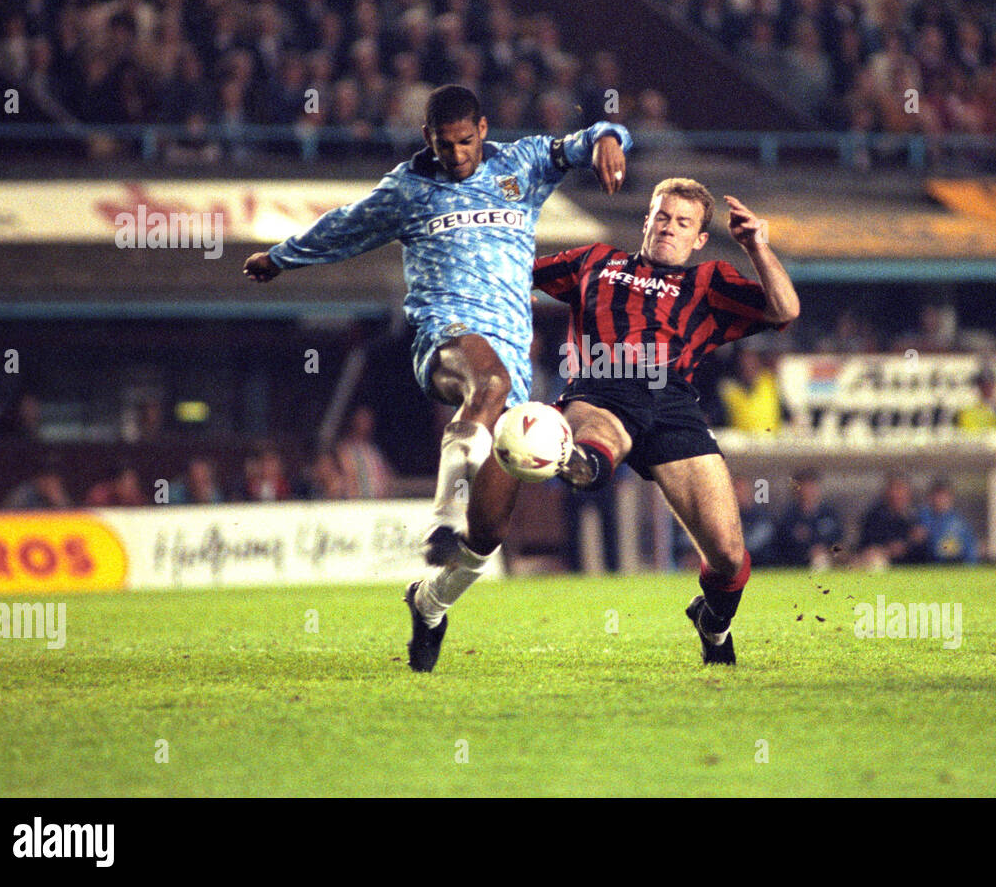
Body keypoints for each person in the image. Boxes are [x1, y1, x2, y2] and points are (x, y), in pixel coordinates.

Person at [243, 84, 629, 654]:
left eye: (466, 141)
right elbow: (343, 226)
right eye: (445, 145)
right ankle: (441, 518)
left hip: (511, 367)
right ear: (428, 137)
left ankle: (429, 603)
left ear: (483, 127)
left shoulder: (520, 164)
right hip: (443, 337)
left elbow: (586, 138)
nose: (457, 155)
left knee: (488, 535)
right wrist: (279, 257)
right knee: (488, 383)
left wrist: (611, 138)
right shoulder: (407, 188)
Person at [448, 179, 799, 669]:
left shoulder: (710, 281)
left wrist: (756, 246)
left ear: (699, 238)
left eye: (682, 223)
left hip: (673, 407)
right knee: (592, 459)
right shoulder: (596, 262)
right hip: (600, 390)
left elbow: (785, 309)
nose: (668, 228)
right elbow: (511, 274)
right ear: (647, 219)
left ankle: (713, 625)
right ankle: (570, 455)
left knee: (728, 556)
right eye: (661, 216)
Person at [771, 470, 844, 570]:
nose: (808, 492)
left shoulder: (830, 515)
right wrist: (807, 553)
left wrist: (827, 551)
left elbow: (839, 545)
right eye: (804, 487)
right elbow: (781, 549)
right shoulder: (788, 518)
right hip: (797, 566)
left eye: (811, 487)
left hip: (828, 561)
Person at [857, 474, 928, 569]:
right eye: (894, 489)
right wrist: (887, 550)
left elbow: (923, 542)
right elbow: (867, 545)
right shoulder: (874, 516)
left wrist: (911, 542)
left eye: (901, 490)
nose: (897, 494)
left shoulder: (918, 514)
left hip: (916, 561)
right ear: (887, 492)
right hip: (886, 560)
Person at [334, 405, 396, 499]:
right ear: (354, 421)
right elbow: (349, 477)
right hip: (358, 502)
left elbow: (386, 474)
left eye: (368, 419)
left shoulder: (373, 450)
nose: (366, 423)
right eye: (362, 419)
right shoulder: (344, 449)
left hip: (379, 501)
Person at [718, 348, 783, 434]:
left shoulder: (770, 382)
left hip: (771, 441)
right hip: (742, 442)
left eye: (752, 365)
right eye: (744, 366)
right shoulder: (729, 389)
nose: (748, 368)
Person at [916, 479, 978, 564]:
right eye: (936, 495)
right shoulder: (921, 517)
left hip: (953, 570)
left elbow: (970, 553)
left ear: (950, 497)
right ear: (930, 497)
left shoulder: (959, 524)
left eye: (943, 495)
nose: (939, 499)